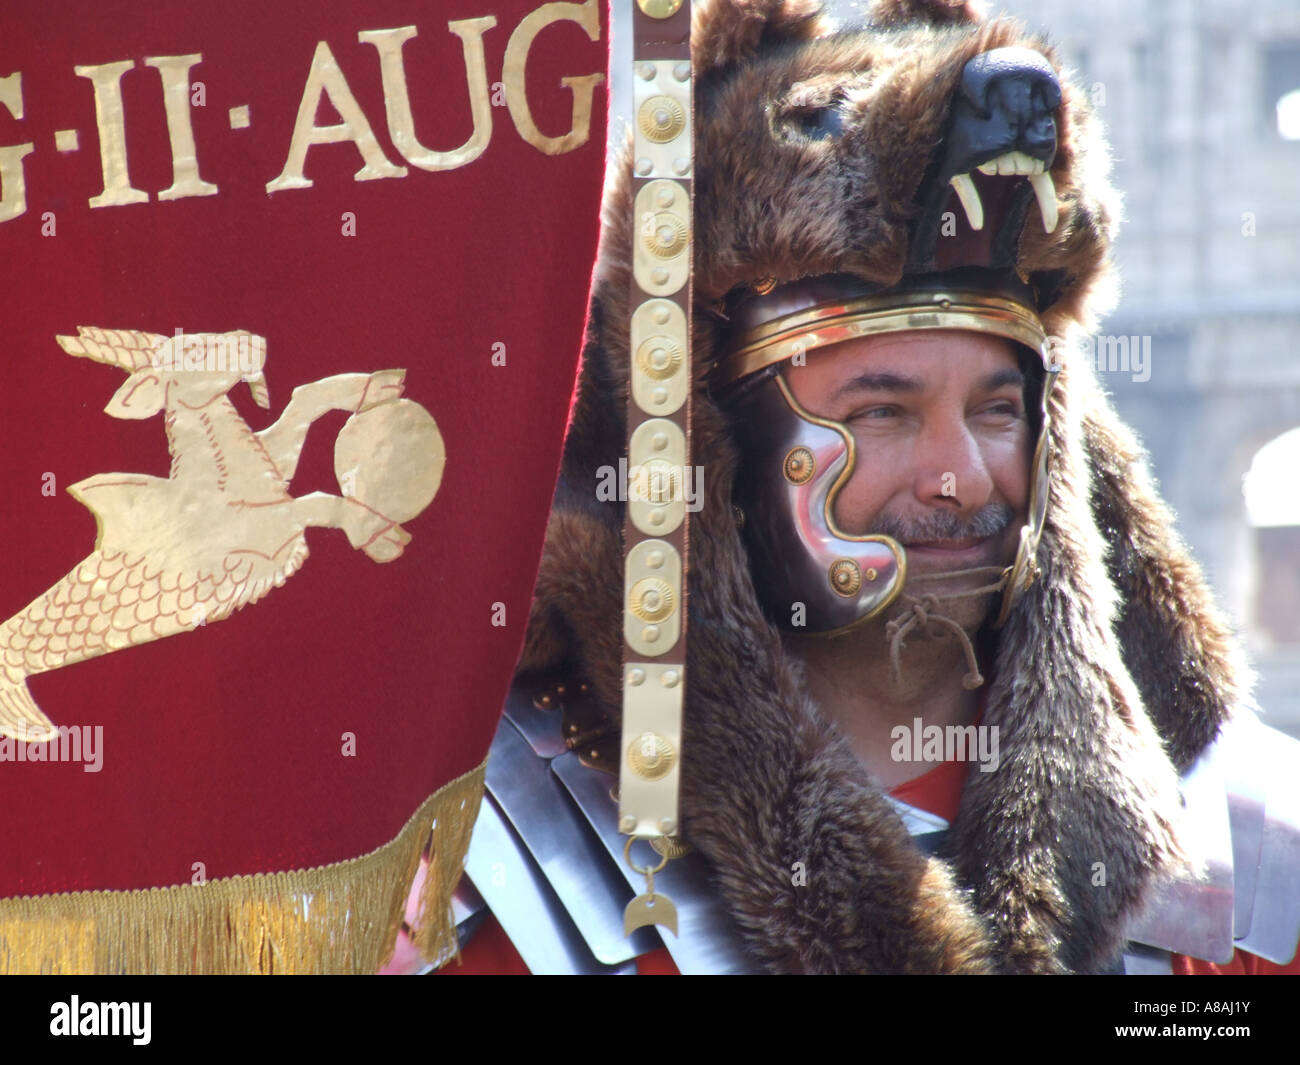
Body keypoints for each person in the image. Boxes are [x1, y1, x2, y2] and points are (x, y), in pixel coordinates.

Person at [437, 0, 1300, 975]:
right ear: (712, 445)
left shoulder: (1260, 868)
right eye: (879, 414)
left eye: (994, 411)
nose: (958, 477)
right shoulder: (482, 874)